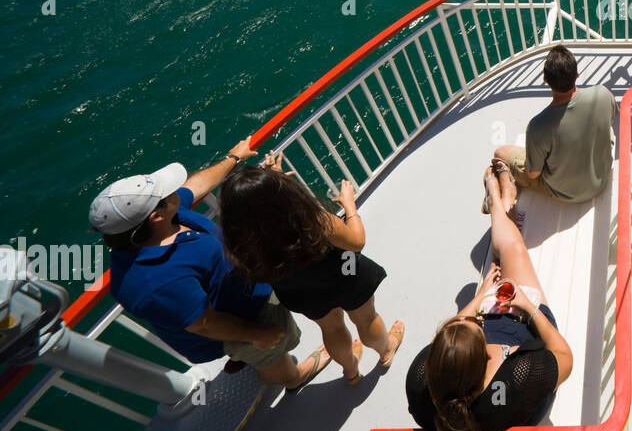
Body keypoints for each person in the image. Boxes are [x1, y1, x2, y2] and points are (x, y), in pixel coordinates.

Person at [90, 141, 330, 391]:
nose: (177, 191)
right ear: (155, 216)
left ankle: (242, 357)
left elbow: (195, 186)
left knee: (252, 347)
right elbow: (203, 323)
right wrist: (255, 334)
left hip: (239, 300)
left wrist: (233, 157)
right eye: (168, 192)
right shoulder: (153, 282)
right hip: (246, 319)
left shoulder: (162, 222)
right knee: (273, 352)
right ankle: (292, 378)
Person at [406, 164, 574, 431]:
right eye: (476, 321)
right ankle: (498, 200)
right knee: (513, 248)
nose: (473, 316)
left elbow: (453, 338)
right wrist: (527, 307)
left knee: (501, 259)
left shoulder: (419, 385)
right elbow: (565, 358)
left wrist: (483, 294)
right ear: (485, 353)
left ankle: (502, 202)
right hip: (526, 328)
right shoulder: (517, 378)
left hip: (492, 350)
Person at [218, 156, 404, 385]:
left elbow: (263, 221)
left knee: (332, 329)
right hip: (346, 275)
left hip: (301, 293)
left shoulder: (242, 249)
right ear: (278, 197)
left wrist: (275, 182)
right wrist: (349, 205)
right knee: (366, 320)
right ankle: (386, 351)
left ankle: (351, 371)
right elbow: (357, 242)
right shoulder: (312, 221)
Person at [493, 46, 616, 205]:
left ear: (545, 80)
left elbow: (533, 174)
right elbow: (610, 120)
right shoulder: (603, 94)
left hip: (565, 193)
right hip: (601, 180)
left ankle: (502, 193)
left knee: (500, 152)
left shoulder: (538, 125)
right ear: (577, 75)